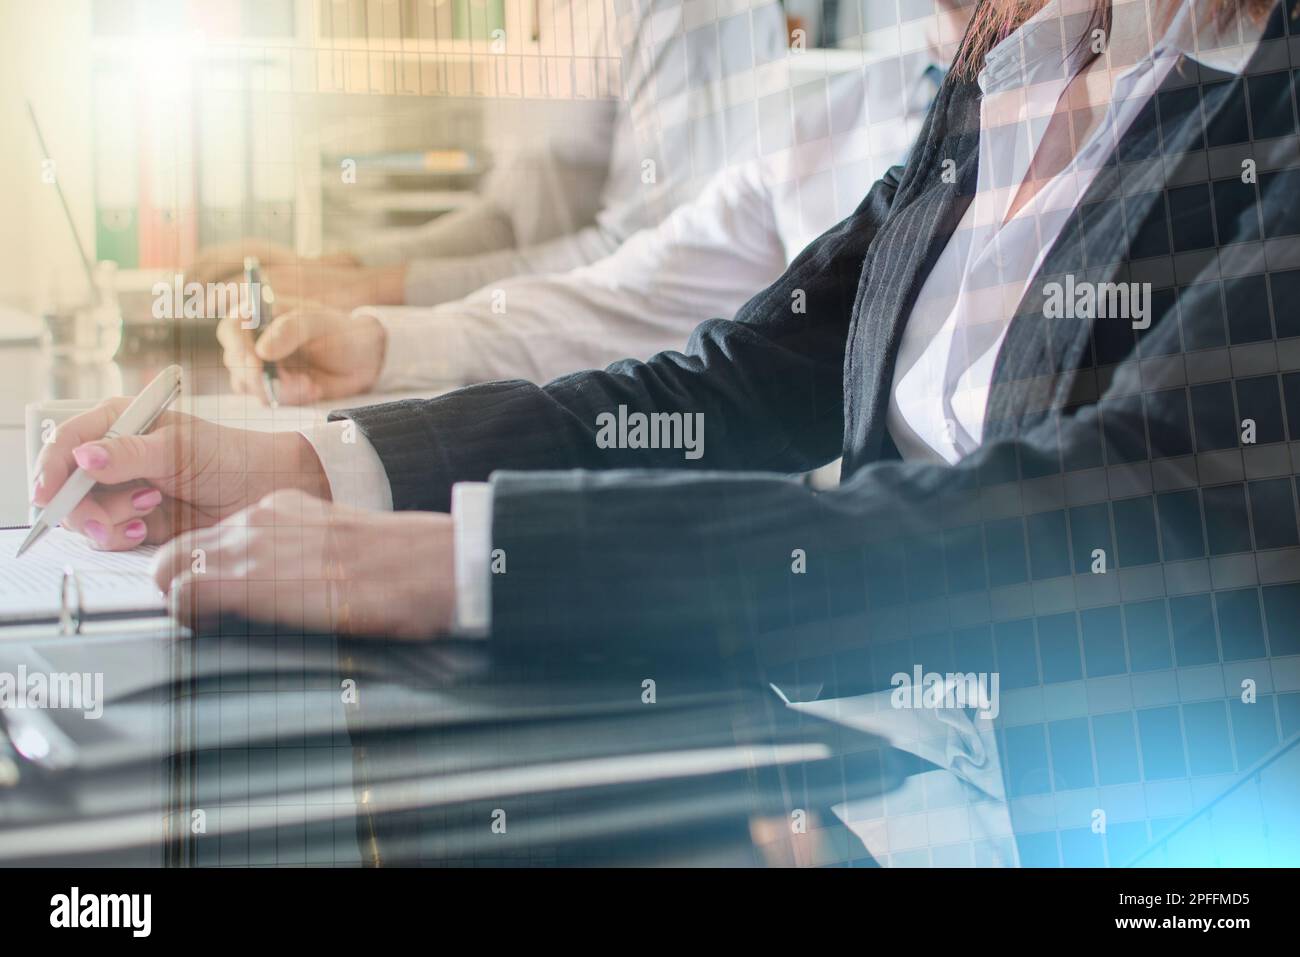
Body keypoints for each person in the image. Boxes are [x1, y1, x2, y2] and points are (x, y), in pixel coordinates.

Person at [34, 0, 1299, 865]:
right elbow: (734, 380)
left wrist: (485, 564)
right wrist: (326, 463)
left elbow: (1120, 510)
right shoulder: (1004, 70)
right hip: (853, 775)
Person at [212, 10, 967, 402]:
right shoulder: (837, 120)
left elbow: (636, 261)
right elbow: (623, 286)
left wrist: (368, 293)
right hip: (599, 378)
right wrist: (372, 323)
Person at [188, 0, 789, 316]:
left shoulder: (689, 8)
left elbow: (654, 260)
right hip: (546, 380)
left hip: (672, 419)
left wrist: (379, 288)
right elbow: (508, 213)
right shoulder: (529, 14)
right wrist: (341, 267)